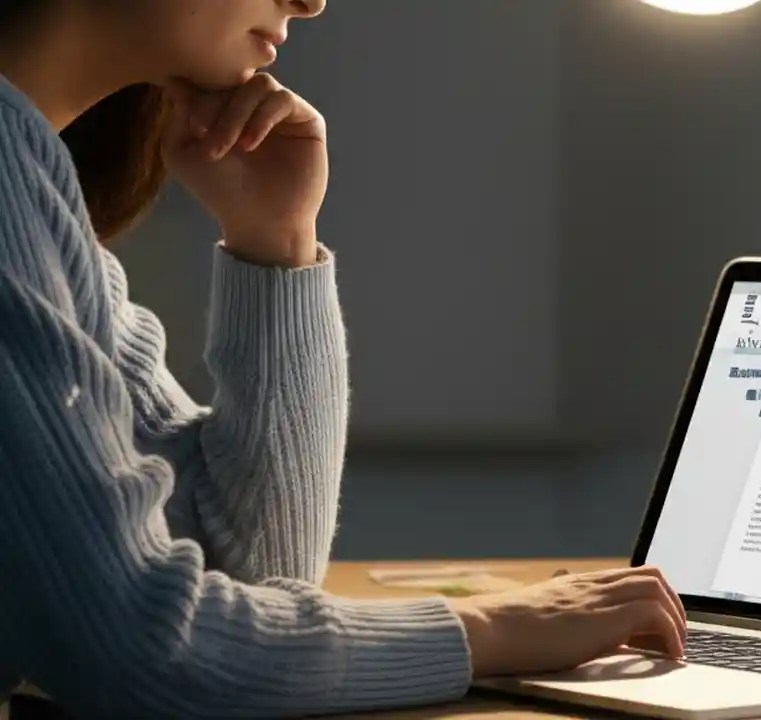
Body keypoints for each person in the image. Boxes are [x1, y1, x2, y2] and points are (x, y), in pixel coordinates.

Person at [0, 0, 687, 717]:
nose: (311, 1)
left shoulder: (39, 194)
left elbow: (262, 581)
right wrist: (490, 627)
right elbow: (138, 646)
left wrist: (276, 236)